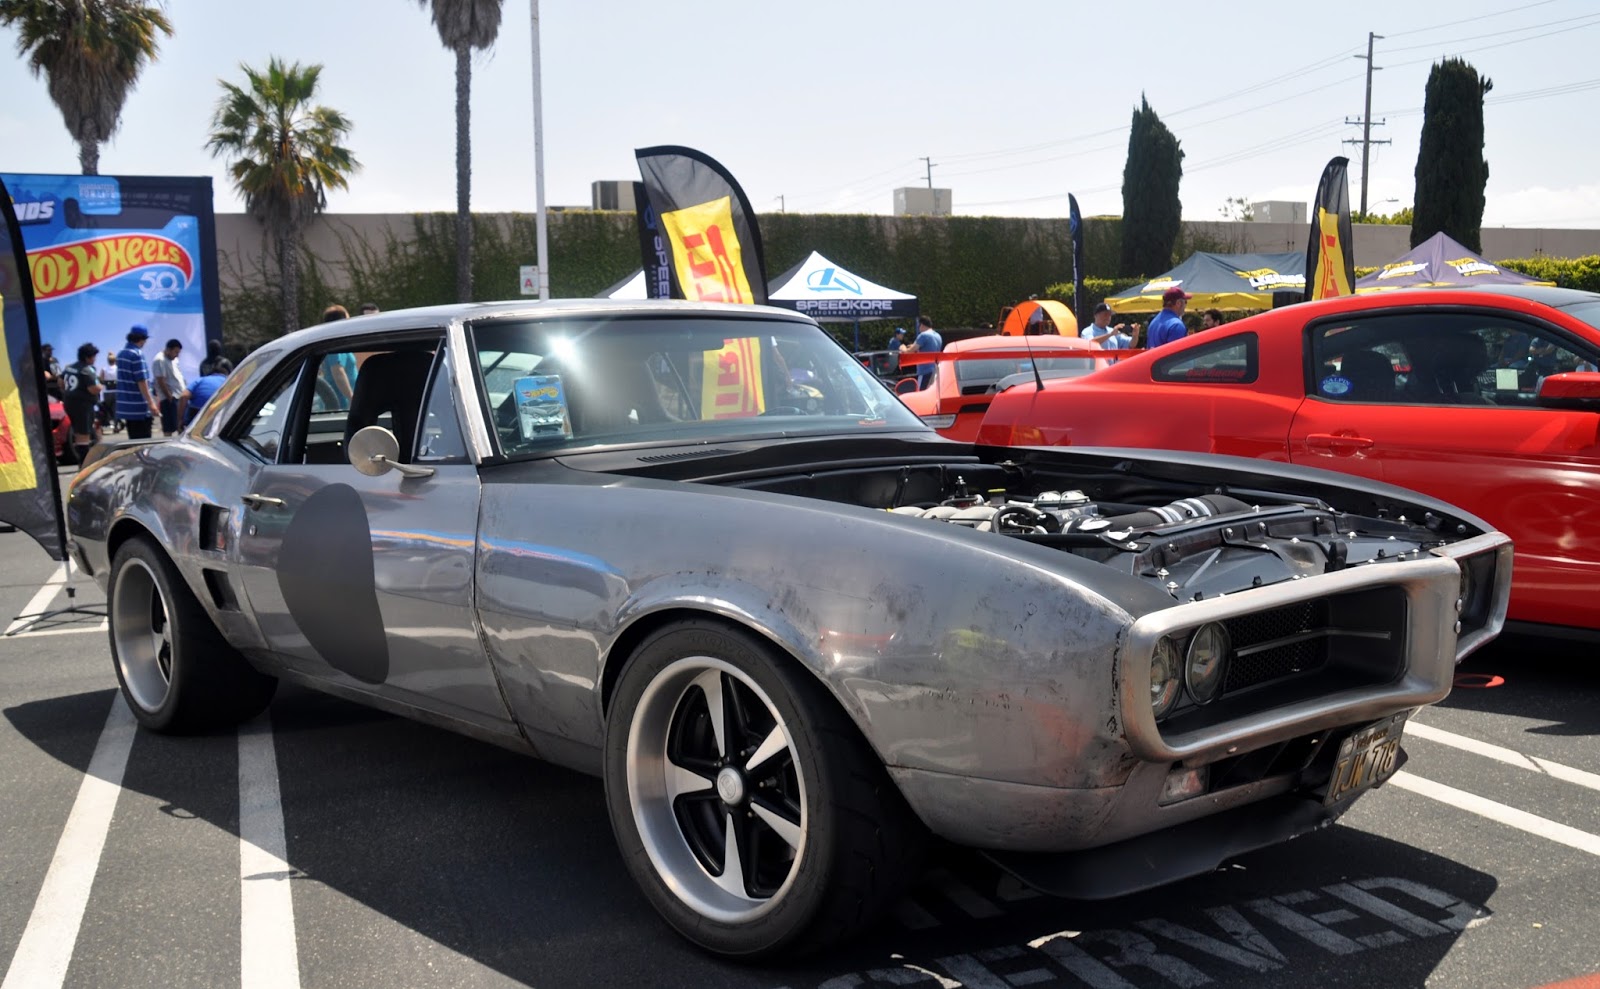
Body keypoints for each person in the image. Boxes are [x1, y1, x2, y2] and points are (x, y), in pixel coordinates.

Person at [115, 326, 161, 439]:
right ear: (142, 339)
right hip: (139, 407)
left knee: (133, 441)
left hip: (127, 407)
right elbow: (141, 381)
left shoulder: (121, 354)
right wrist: (151, 403)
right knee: (144, 443)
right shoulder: (137, 355)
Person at [61, 342, 102, 463]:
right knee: (84, 434)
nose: (95, 359)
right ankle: (85, 462)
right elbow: (93, 389)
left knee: (78, 432)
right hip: (83, 405)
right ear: (88, 357)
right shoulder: (86, 370)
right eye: (93, 357)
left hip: (69, 402)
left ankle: (84, 460)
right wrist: (101, 386)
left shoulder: (69, 368)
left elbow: (60, 381)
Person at [151, 338, 190, 436]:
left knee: (182, 425)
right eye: (175, 352)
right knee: (169, 427)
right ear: (168, 349)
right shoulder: (160, 360)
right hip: (169, 399)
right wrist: (169, 396)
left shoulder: (174, 360)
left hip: (179, 396)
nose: (177, 355)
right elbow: (161, 380)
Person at [185, 357, 232, 424]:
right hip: (219, 416)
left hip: (196, 415)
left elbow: (184, 396)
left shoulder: (201, 380)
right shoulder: (230, 382)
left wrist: (180, 420)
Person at [904, 315, 943, 389]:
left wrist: (902, 348)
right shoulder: (938, 336)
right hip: (935, 370)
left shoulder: (923, 335)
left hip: (925, 370)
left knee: (921, 393)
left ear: (921, 325)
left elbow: (909, 351)